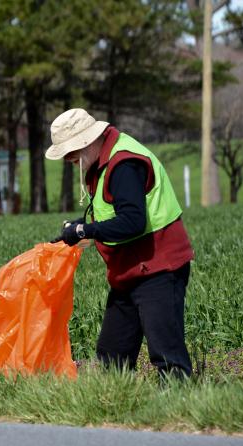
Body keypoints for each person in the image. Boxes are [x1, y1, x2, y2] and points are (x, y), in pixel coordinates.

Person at [46, 108, 194, 379]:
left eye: (70, 154)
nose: (68, 160)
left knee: (167, 357)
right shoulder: (101, 162)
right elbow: (111, 212)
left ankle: (178, 412)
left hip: (158, 268)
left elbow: (132, 221)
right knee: (112, 360)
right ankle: (116, 411)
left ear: (86, 142)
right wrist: (79, 227)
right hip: (129, 271)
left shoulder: (123, 164)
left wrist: (84, 230)